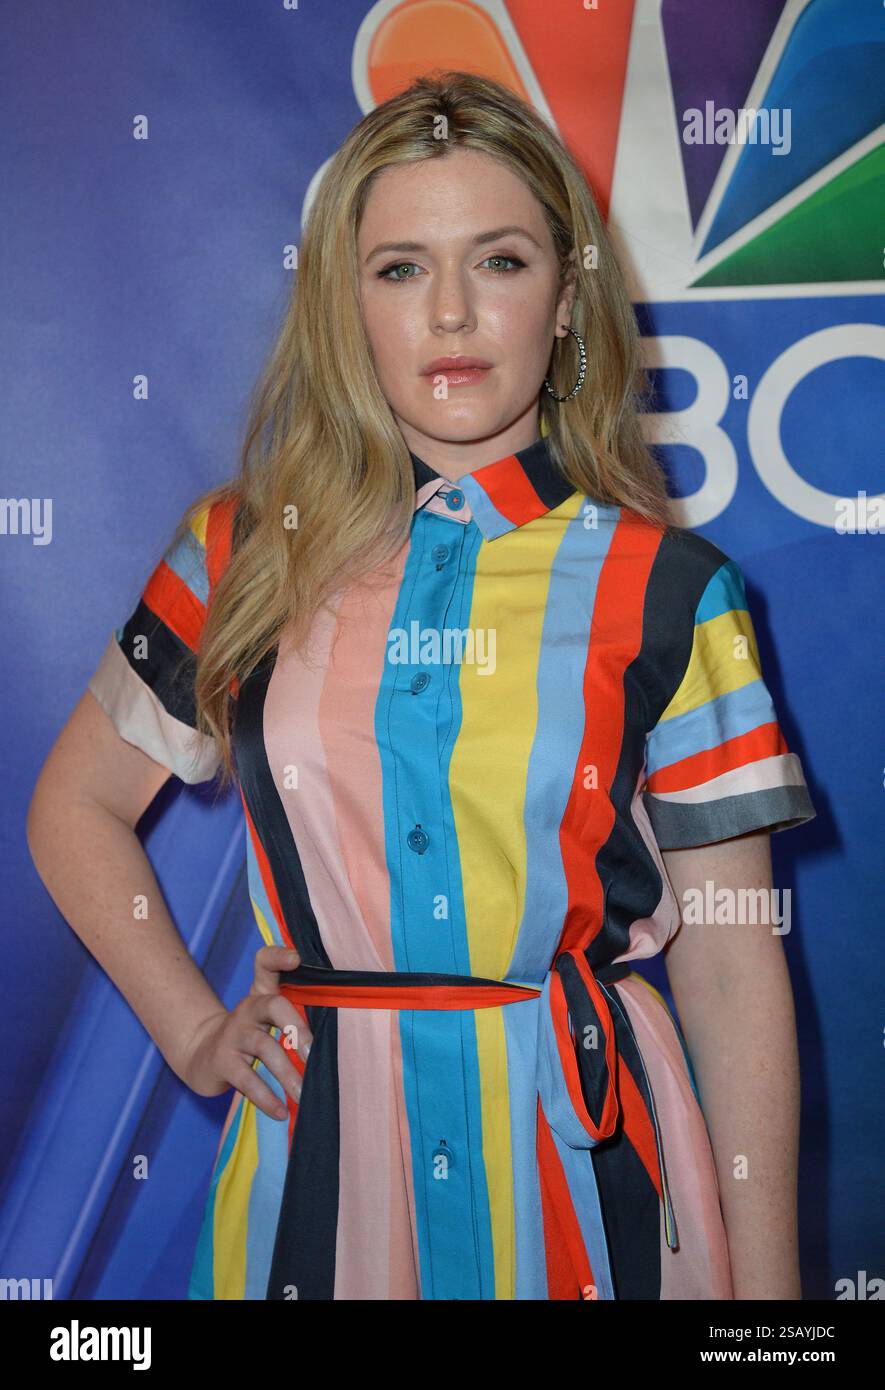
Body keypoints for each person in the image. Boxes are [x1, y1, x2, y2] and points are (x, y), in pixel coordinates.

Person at [27, 70, 816, 1301]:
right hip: (314, 1179)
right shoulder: (239, 552)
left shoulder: (673, 588)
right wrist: (191, 1027)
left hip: (588, 1164)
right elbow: (73, 808)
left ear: (565, 298)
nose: (450, 312)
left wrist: (775, 1322)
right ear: (348, 305)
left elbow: (729, 965)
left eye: (498, 261)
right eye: (400, 268)